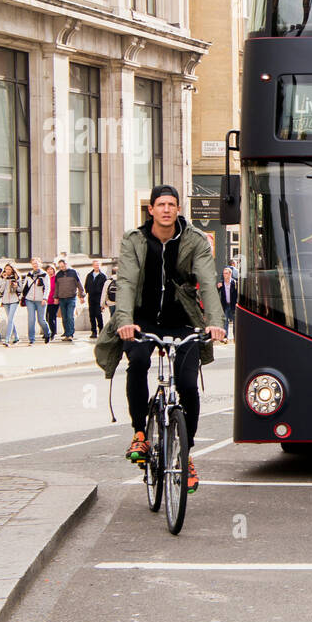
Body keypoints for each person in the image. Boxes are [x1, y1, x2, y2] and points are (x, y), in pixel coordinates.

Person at [96, 185, 225, 495]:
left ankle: (186, 453)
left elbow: (207, 282)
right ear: (150, 209)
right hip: (140, 318)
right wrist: (124, 321)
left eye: (172, 204)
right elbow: (125, 282)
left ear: (178, 209)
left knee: (188, 384)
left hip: (181, 319)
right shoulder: (135, 239)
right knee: (138, 362)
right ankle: (140, 431)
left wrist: (215, 324)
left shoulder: (194, 240)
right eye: (161, 204)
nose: (167, 209)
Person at [22, 258, 52, 344]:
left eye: (37, 263)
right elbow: (25, 286)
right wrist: (22, 296)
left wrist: (45, 298)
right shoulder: (29, 274)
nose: (35, 265)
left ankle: (47, 333)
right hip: (30, 300)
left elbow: (47, 288)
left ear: (40, 264)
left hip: (40, 300)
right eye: (33, 263)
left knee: (41, 320)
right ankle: (31, 339)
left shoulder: (44, 274)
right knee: (31, 319)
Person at [54, 259, 85, 341]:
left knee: (70, 316)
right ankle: (67, 333)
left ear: (66, 264)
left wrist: (81, 296)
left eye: (63, 266)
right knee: (64, 317)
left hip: (71, 297)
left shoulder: (73, 272)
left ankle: (70, 334)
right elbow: (56, 287)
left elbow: (79, 284)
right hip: (61, 298)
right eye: (60, 267)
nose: (62, 268)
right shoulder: (58, 274)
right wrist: (55, 297)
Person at [0, 262, 24, 346]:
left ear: (12, 270)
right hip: (5, 301)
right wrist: (4, 280)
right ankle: (16, 337)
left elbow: (21, 290)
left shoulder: (17, 278)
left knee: (10, 319)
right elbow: (0, 290)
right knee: (10, 319)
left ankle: (7, 339)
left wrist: (16, 287)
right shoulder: (2, 278)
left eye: (9, 269)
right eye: (6, 269)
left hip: (14, 300)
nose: (7, 271)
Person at [84, 260, 107, 339]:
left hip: (99, 297)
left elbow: (105, 288)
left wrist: (104, 301)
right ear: (93, 266)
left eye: (98, 265)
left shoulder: (103, 276)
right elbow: (86, 286)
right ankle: (93, 331)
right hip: (91, 297)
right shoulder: (89, 275)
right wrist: (84, 294)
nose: (97, 266)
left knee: (98, 314)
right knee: (92, 315)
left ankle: (101, 329)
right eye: (95, 265)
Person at [219, 267, 238, 337]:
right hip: (225, 305)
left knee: (235, 322)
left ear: (230, 274)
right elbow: (216, 292)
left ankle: (235, 337)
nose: (224, 275)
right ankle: (225, 337)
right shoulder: (221, 284)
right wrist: (218, 287)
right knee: (225, 322)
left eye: (226, 273)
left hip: (233, 305)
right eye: (224, 273)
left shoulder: (235, 283)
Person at [44, 264, 59, 337]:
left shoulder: (56, 278)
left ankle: (53, 332)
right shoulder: (45, 278)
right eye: (48, 269)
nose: (50, 271)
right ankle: (47, 331)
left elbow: (57, 288)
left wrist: (57, 298)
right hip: (46, 300)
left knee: (52, 317)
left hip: (54, 299)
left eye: (51, 269)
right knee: (45, 317)